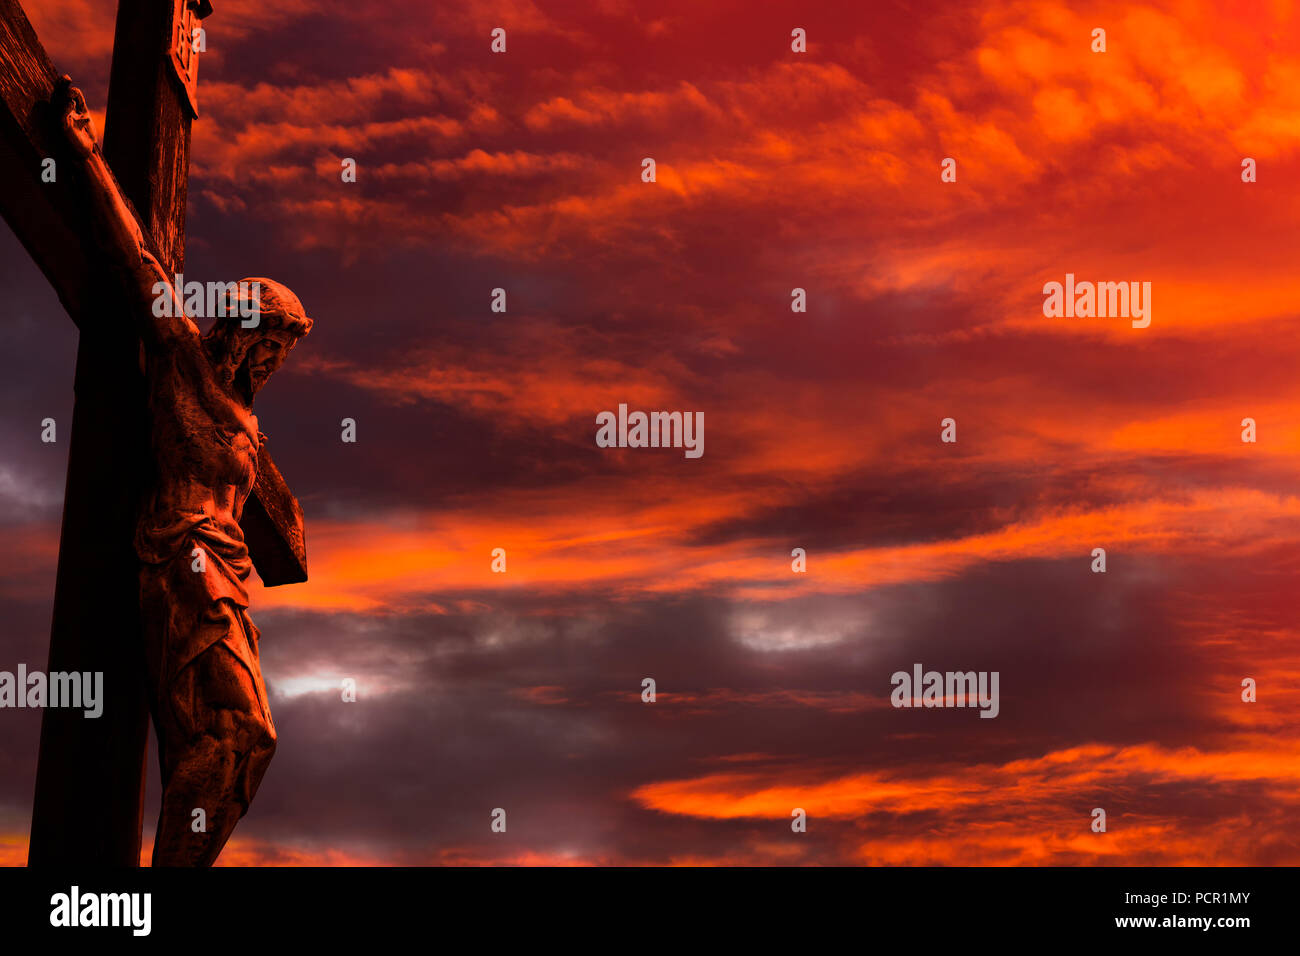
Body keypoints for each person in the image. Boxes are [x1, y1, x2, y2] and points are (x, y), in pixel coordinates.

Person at [58, 77, 312, 865]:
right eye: (266, 342)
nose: (270, 362)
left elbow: (282, 526)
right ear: (236, 330)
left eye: (283, 353)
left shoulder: (249, 427)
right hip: (182, 556)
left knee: (250, 747)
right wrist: (84, 149)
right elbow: (137, 260)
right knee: (242, 726)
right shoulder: (182, 363)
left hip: (226, 570)